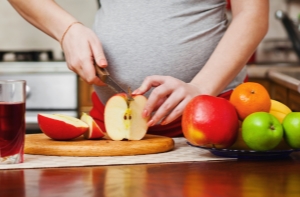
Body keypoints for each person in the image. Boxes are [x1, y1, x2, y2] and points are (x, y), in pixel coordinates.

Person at [8, 0, 269, 137]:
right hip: (111, 126)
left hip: (213, 122)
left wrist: (201, 88)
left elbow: (253, 14)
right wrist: (66, 29)